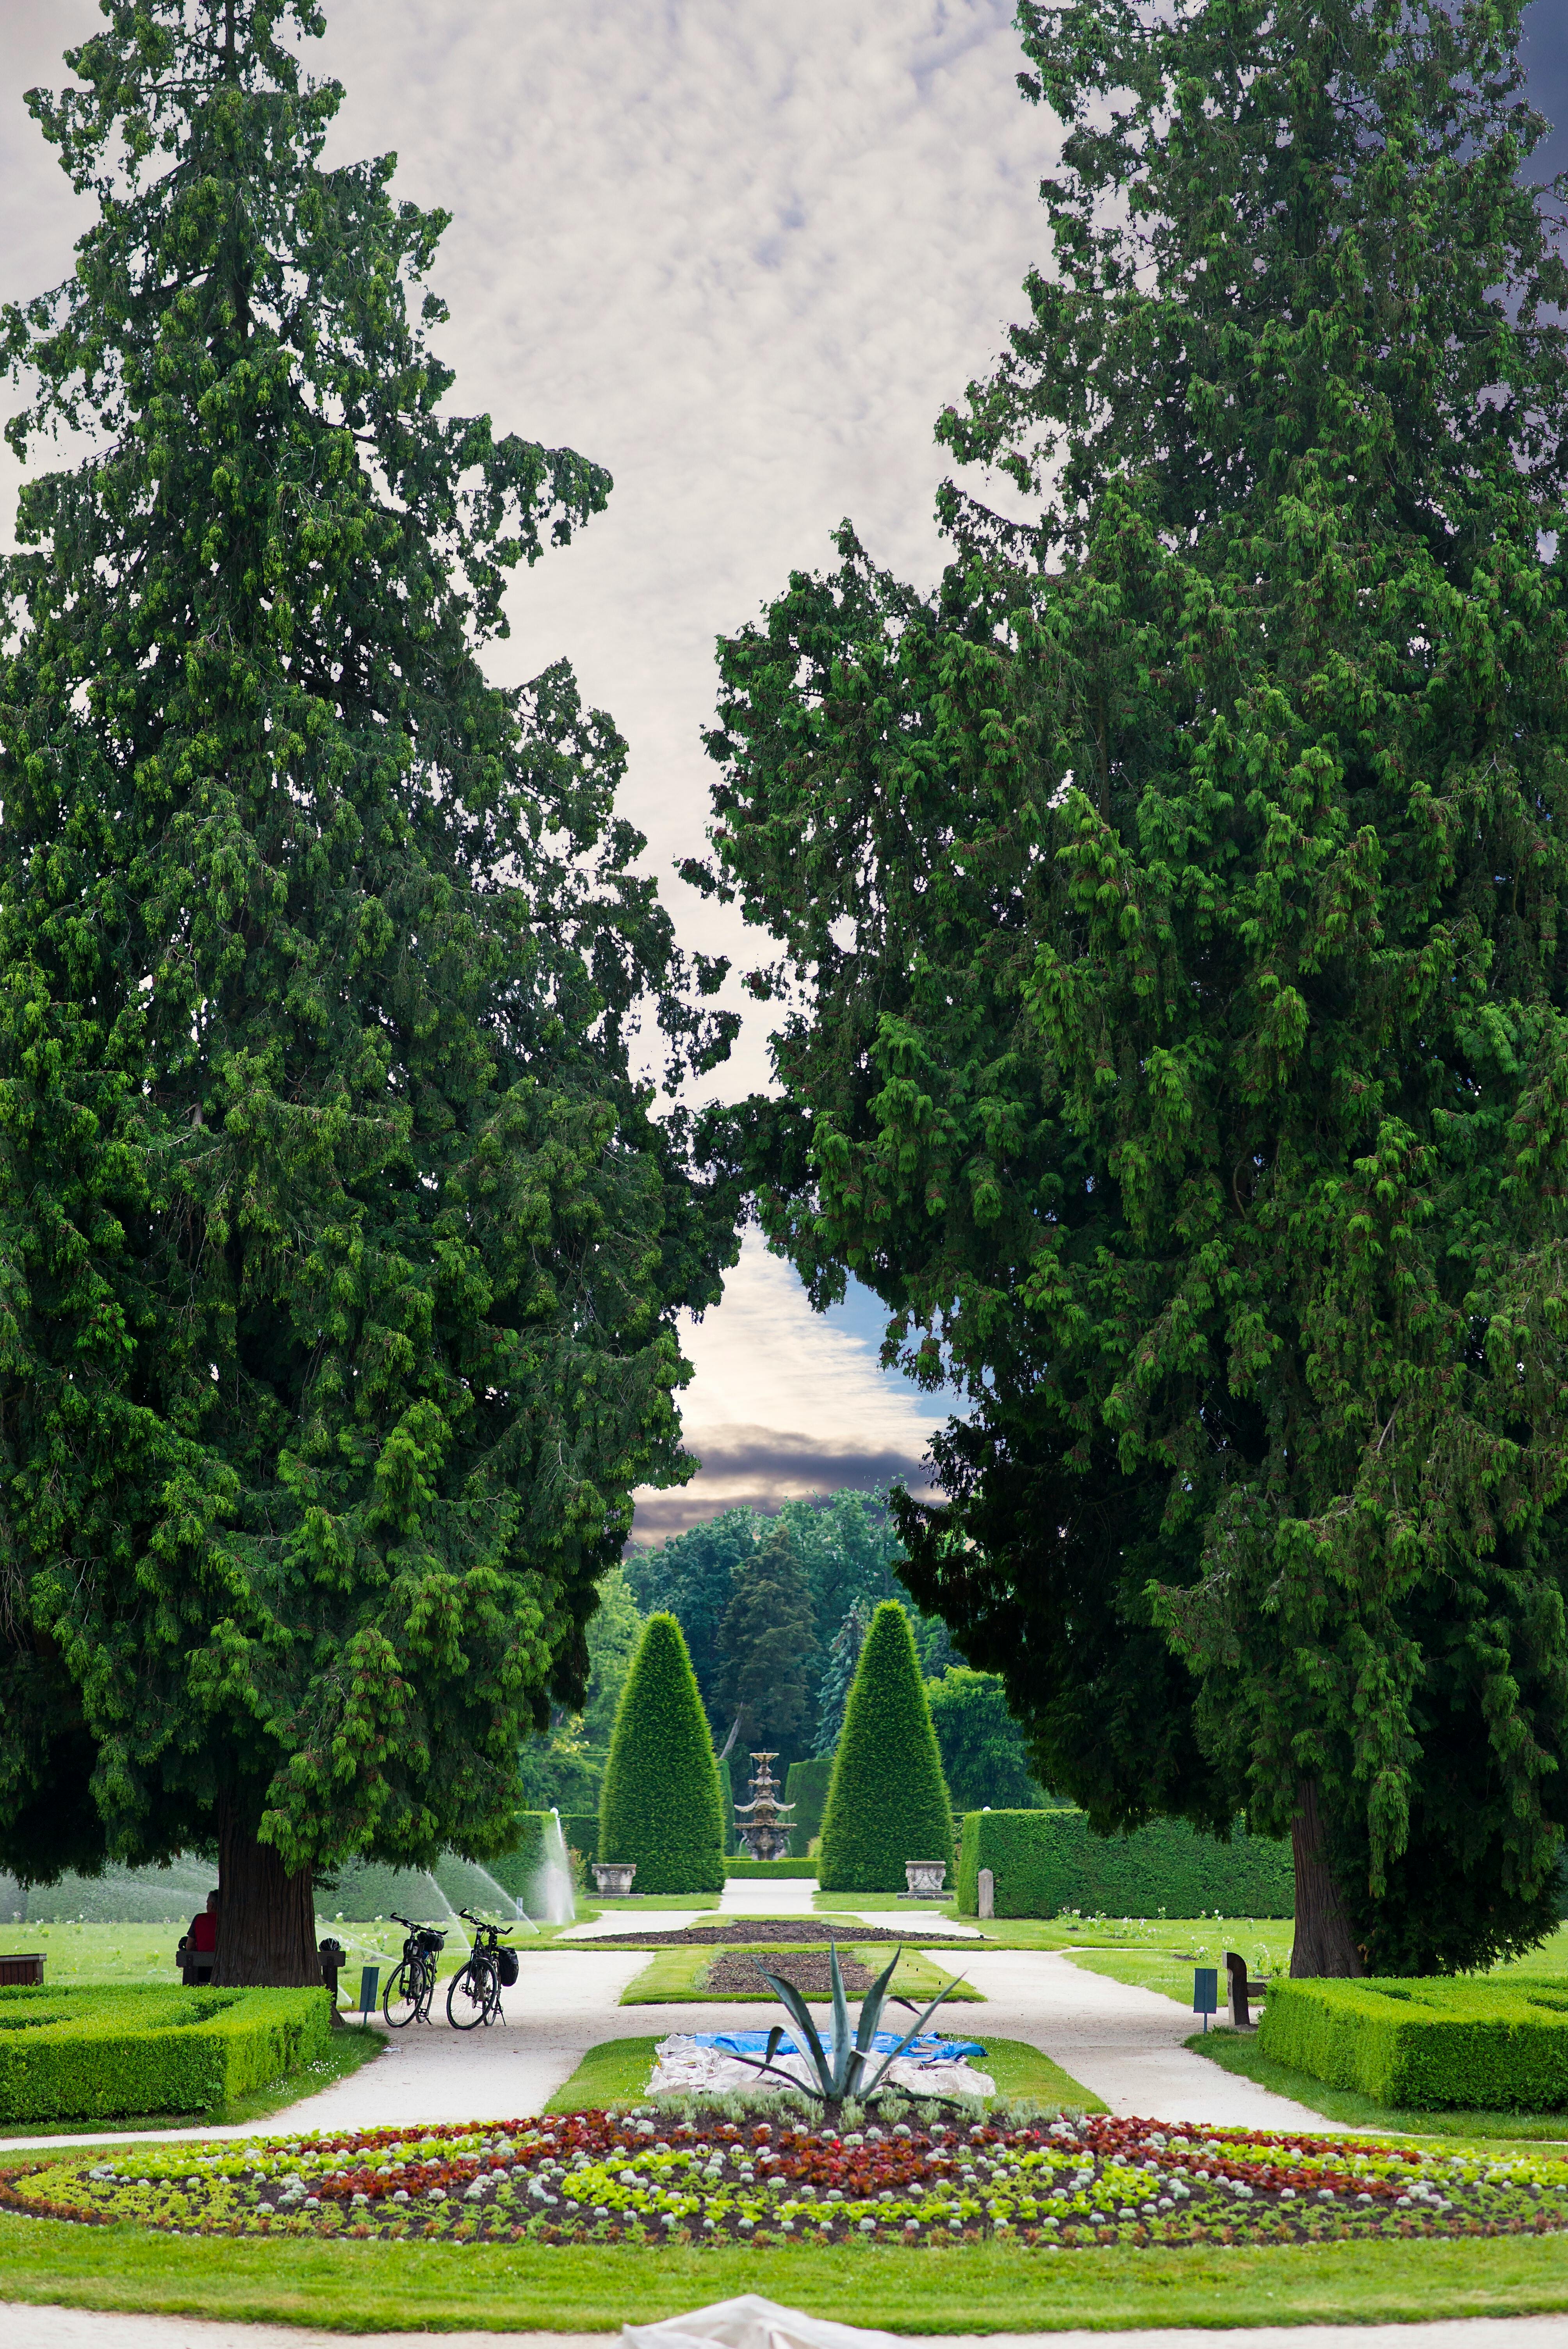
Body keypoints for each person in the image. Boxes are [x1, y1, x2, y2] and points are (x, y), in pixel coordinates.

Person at [179, 1890, 219, 1982]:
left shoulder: (200, 1919)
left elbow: (189, 1947)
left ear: (211, 1905)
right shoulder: (230, 1921)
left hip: (203, 1971)